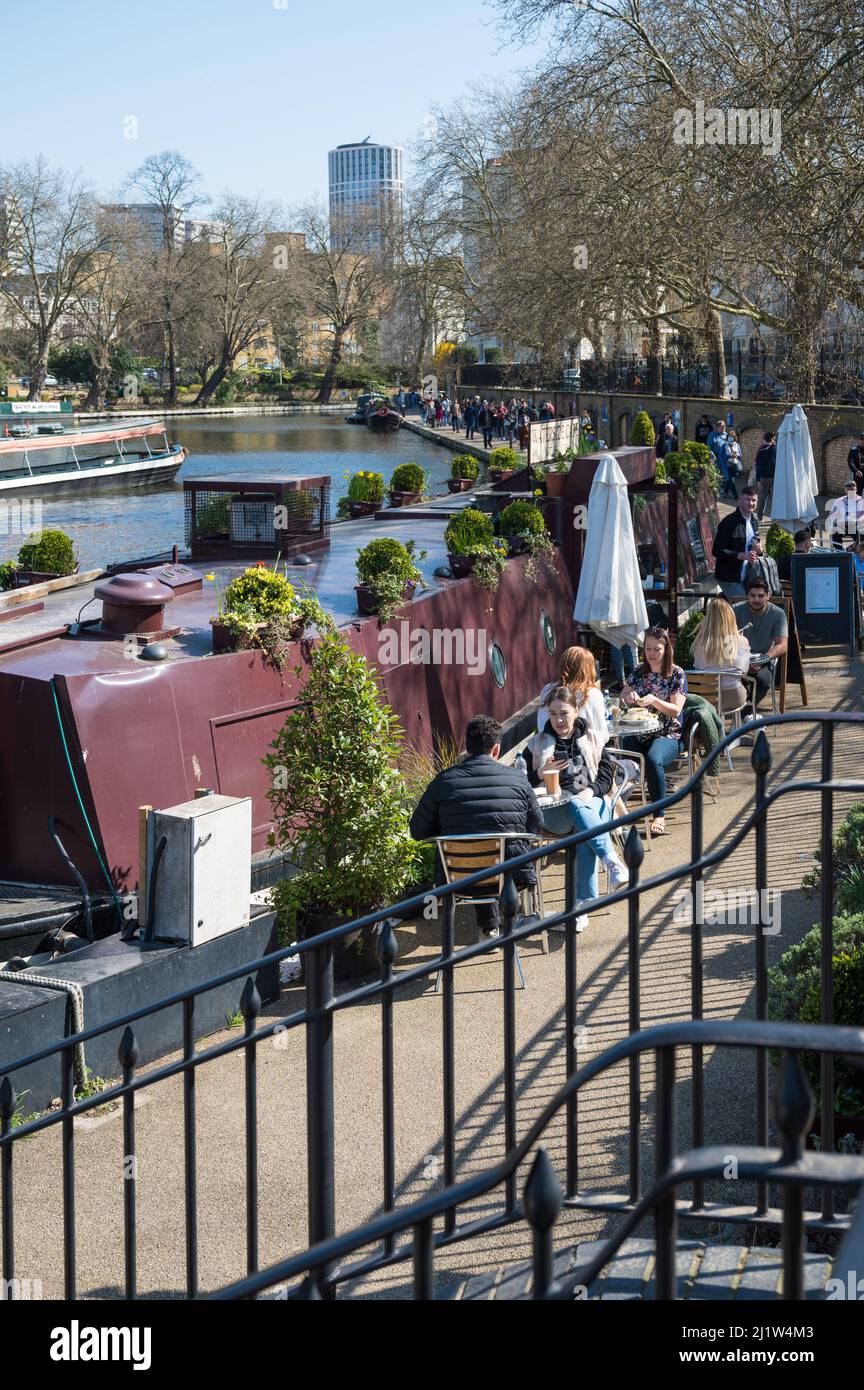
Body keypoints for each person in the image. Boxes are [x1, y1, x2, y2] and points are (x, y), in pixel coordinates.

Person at [409, 714, 543, 938]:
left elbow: (418, 831)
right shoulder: (518, 779)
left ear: (467, 747)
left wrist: (449, 828)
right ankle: (519, 916)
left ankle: (489, 926)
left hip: (458, 880)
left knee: (476, 842)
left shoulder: (443, 782)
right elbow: (537, 825)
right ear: (496, 750)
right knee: (502, 847)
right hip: (510, 877)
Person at [523, 689, 628, 932]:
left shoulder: (594, 738)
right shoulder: (536, 744)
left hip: (592, 803)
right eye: (552, 714)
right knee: (573, 806)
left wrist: (590, 792)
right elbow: (521, 782)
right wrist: (538, 773)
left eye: (564, 713)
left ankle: (580, 910)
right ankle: (611, 861)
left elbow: (605, 778)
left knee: (582, 821)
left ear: (576, 711)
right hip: (554, 812)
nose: (558, 720)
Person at [620, 627, 686, 835]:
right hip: (638, 731)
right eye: (647, 648)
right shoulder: (639, 670)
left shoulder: (677, 673)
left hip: (668, 734)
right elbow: (623, 695)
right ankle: (617, 811)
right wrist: (628, 698)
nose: (651, 653)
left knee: (652, 757)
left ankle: (659, 814)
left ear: (667, 649)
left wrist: (656, 700)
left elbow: (675, 711)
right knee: (620, 755)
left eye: (656, 649)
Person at [733, 577, 788, 712]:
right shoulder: (735, 609)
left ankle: (743, 714)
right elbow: (724, 638)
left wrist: (762, 659)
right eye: (752, 595)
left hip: (763, 658)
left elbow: (782, 645)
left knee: (763, 680)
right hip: (736, 658)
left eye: (760, 596)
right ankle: (742, 714)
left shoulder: (778, 614)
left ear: (768, 596)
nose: (756, 599)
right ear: (747, 596)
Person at [691, 597, 751, 710]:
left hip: (708, 697)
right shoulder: (742, 641)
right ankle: (738, 725)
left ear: (708, 619)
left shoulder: (700, 643)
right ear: (730, 617)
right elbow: (744, 671)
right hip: (734, 696)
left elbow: (699, 670)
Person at [536, 646, 607, 740]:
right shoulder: (593, 694)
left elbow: (541, 727)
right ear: (589, 669)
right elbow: (602, 735)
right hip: (583, 751)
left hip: (548, 748)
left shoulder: (547, 690)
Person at [711, 486, 762, 598]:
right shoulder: (729, 522)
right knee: (744, 607)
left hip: (747, 575)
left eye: (754, 500)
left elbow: (754, 547)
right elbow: (716, 550)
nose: (751, 503)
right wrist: (738, 555)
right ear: (739, 500)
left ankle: (724, 600)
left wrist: (759, 550)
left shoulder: (754, 521)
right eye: (747, 499)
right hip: (729, 577)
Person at [826, 480, 864, 545]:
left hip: (856, 526)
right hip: (843, 525)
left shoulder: (861, 500)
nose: (850, 491)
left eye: (852, 489)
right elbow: (832, 514)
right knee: (835, 531)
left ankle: (853, 547)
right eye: (848, 489)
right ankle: (840, 552)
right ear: (845, 491)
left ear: (856, 489)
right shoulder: (839, 501)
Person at [708, 418, 736, 500]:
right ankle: (715, 491)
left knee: (726, 476)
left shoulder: (725, 435)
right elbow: (709, 447)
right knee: (716, 476)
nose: (724, 429)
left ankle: (723, 491)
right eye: (722, 427)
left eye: (724, 427)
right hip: (716, 459)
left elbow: (730, 445)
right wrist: (712, 455)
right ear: (717, 427)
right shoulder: (712, 435)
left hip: (725, 459)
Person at [754, 430, 777, 520]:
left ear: (765, 439)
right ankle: (775, 517)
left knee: (762, 498)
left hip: (763, 478)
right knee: (775, 498)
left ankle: (760, 516)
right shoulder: (776, 449)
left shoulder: (761, 451)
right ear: (772, 439)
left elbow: (758, 466)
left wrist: (758, 479)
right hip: (774, 477)